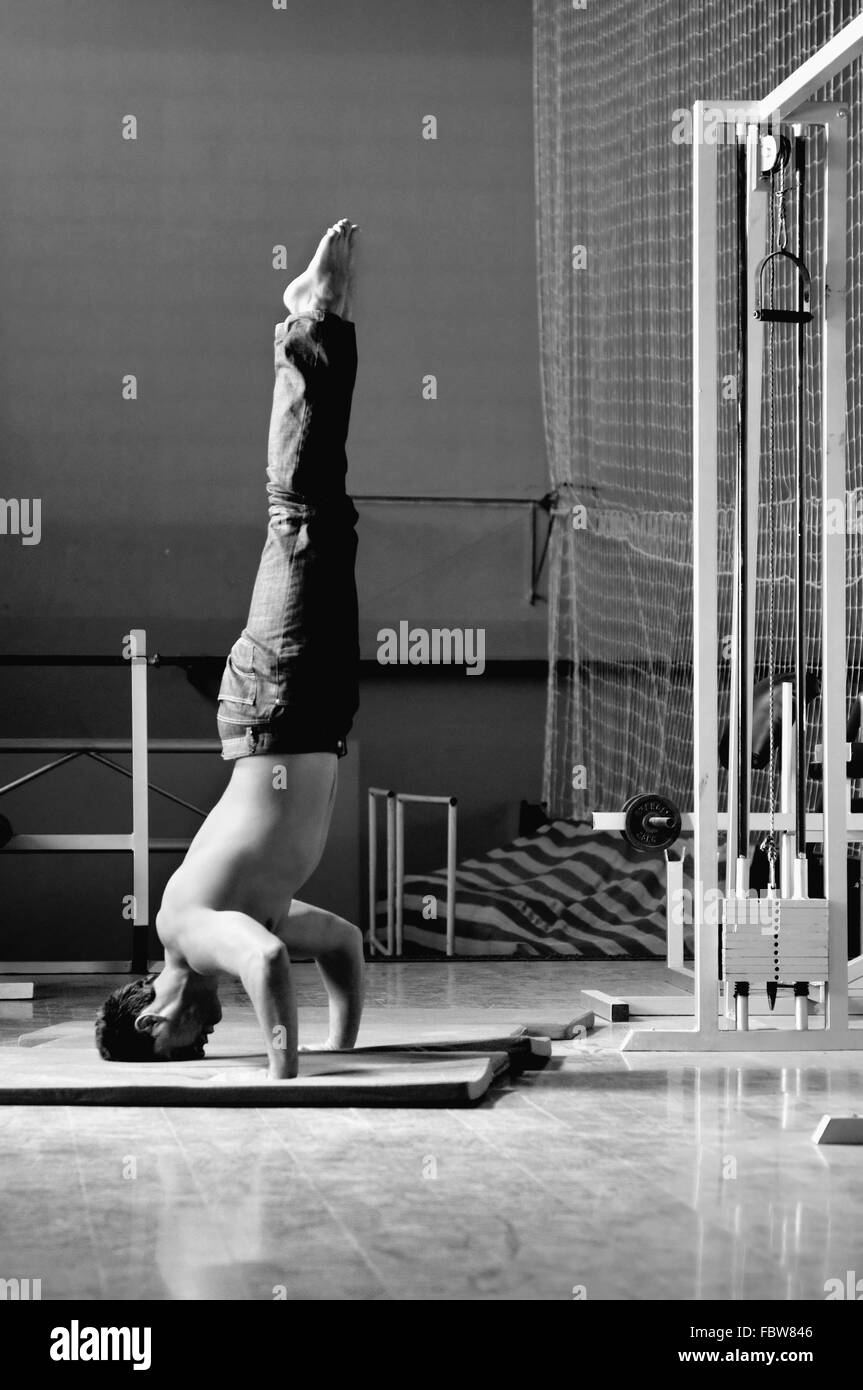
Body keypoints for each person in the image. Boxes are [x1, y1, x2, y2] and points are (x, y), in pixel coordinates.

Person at [96, 220, 365, 1079]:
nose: (201, 1042)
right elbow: (340, 947)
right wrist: (338, 1047)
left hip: (274, 708)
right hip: (310, 718)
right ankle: (317, 325)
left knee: (302, 515)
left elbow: (267, 965)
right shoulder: (252, 916)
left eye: (180, 1043)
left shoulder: (189, 933)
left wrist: (287, 1075)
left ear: (151, 1017)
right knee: (329, 521)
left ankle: (306, 322)